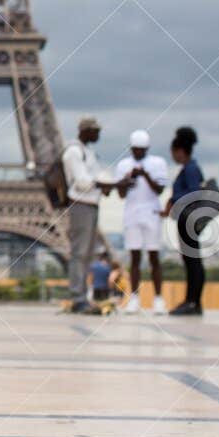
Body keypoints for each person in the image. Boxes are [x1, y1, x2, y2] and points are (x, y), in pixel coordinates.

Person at [62, 116, 116, 311]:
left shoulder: (89, 152)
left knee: (87, 254)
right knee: (79, 253)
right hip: (80, 205)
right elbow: (82, 182)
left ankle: (83, 295)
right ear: (85, 130)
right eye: (96, 131)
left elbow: (97, 177)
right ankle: (78, 297)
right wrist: (108, 184)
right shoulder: (73, 152)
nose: (98, 134)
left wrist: (111, 184)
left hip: (91, 204)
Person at [115, 129, 169, 314]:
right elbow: (121, 194)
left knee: (154, 257)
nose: (139, 153)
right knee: (135, 258)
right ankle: (134, 299)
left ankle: (158, 299)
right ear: (131, 148)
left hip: (151, 212)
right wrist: (128, 178)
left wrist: (144, 174)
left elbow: (159, 190)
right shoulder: (123, 166)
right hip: (132, 213)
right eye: (136, 149)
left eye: (142, 150)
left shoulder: (157, 163)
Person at [166, 126, 206, 316]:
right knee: (192, 260)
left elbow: (194, 191)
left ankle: (192, 301)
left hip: (188, 218)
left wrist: (173, 199)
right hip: (187, 218)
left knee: (192, 261)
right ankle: (192, 301)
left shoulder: (190, 169)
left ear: (180, 151)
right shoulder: (190, 168)